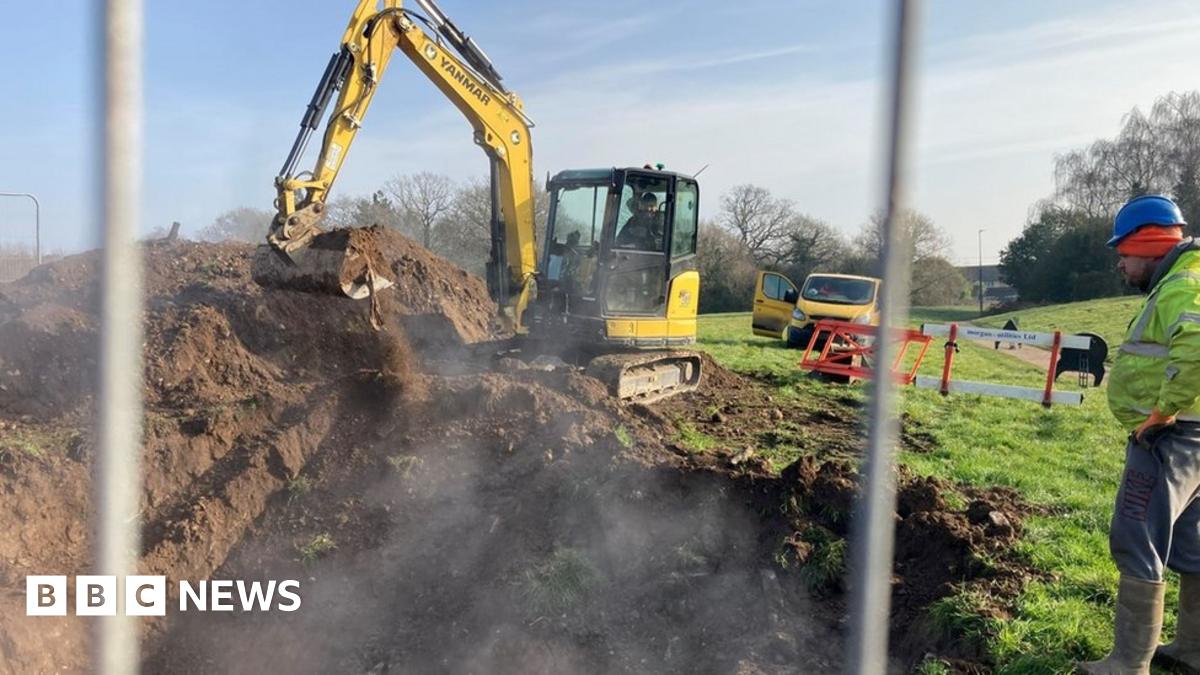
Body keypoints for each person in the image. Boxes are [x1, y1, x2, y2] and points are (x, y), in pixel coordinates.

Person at [1078, 195, 1200, 674]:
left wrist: (1160, 413)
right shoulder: (1184, 280)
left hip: (1169, 438)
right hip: (1193, 437)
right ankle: (1192, 649)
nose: (1120, 263)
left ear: (1147, 243)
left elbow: (1194, 353)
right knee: (1192, 542)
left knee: (1136, 535)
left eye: (1123, 253)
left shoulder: (1180, 289)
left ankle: (1128, 663)